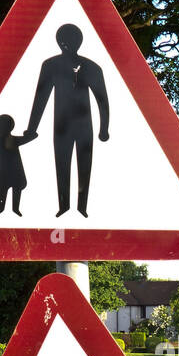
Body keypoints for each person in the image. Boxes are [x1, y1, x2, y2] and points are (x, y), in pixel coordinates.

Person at [24, 24, 109, 218]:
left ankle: (82, 207)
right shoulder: (50, 65)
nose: (67, 44)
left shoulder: (92, 67)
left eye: (72, 40)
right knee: (62, 164)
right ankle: (63, 205)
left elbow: (102, 100)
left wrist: (104, 128)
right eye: (64, 41)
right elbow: (41, 98)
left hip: (84, 126)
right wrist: (32, 129)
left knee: (84, 165)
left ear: (79, 42)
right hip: (61, 126)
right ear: (59, 42)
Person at [0, 115, 33, 215]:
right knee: (2, 191)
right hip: (4, 172)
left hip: (16, 171)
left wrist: (31, 134)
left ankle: (15, 209)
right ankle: (1, 209)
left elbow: (26, 139)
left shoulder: (13, 139)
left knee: (17, 190)